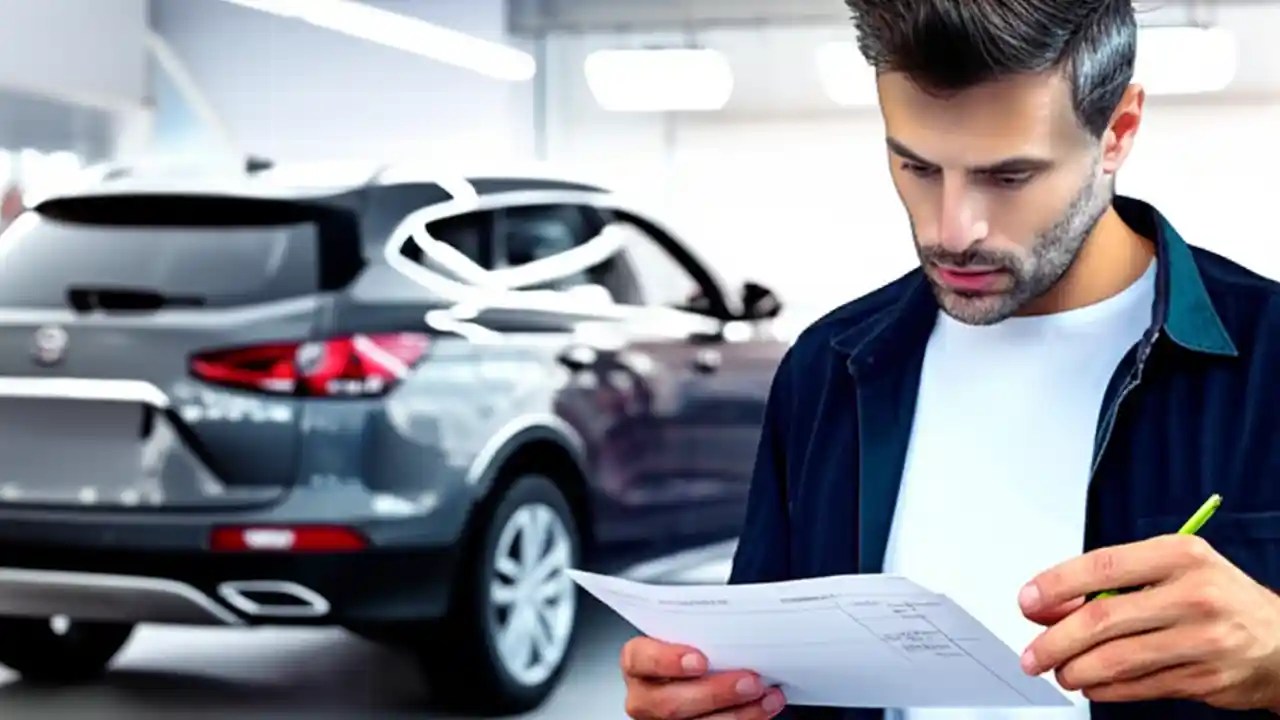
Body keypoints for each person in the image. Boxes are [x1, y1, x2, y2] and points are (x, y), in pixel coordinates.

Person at [619, 1, 1280, 719]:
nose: (952, 230)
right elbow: (764, 683)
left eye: (1009, 177)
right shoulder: (824, 372)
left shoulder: (1272, 359)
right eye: (917, 167)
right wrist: (708, 699)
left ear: (1117, 132)